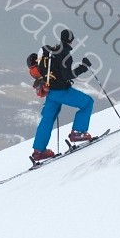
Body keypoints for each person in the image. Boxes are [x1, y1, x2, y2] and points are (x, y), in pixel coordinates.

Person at [28, 28, 95, 161]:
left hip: (50, 91)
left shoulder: (52, 51)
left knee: (47, 119)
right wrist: (83, 67)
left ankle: (39, 151)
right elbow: (67, 75)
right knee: (87, 102)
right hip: (61, 91)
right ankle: (78, 133)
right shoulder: (65, 54)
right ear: (71, 40)